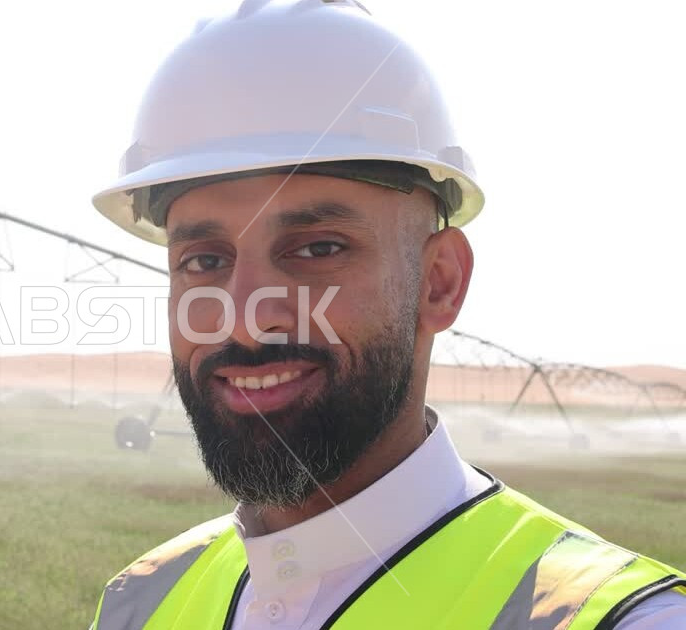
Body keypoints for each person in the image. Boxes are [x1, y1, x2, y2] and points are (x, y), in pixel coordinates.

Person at [88, 1, 686, 628]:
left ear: (439, 282)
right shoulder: (145, 600)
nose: (240, 321)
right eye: (203, 261)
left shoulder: (609, 619)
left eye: (318, 249)